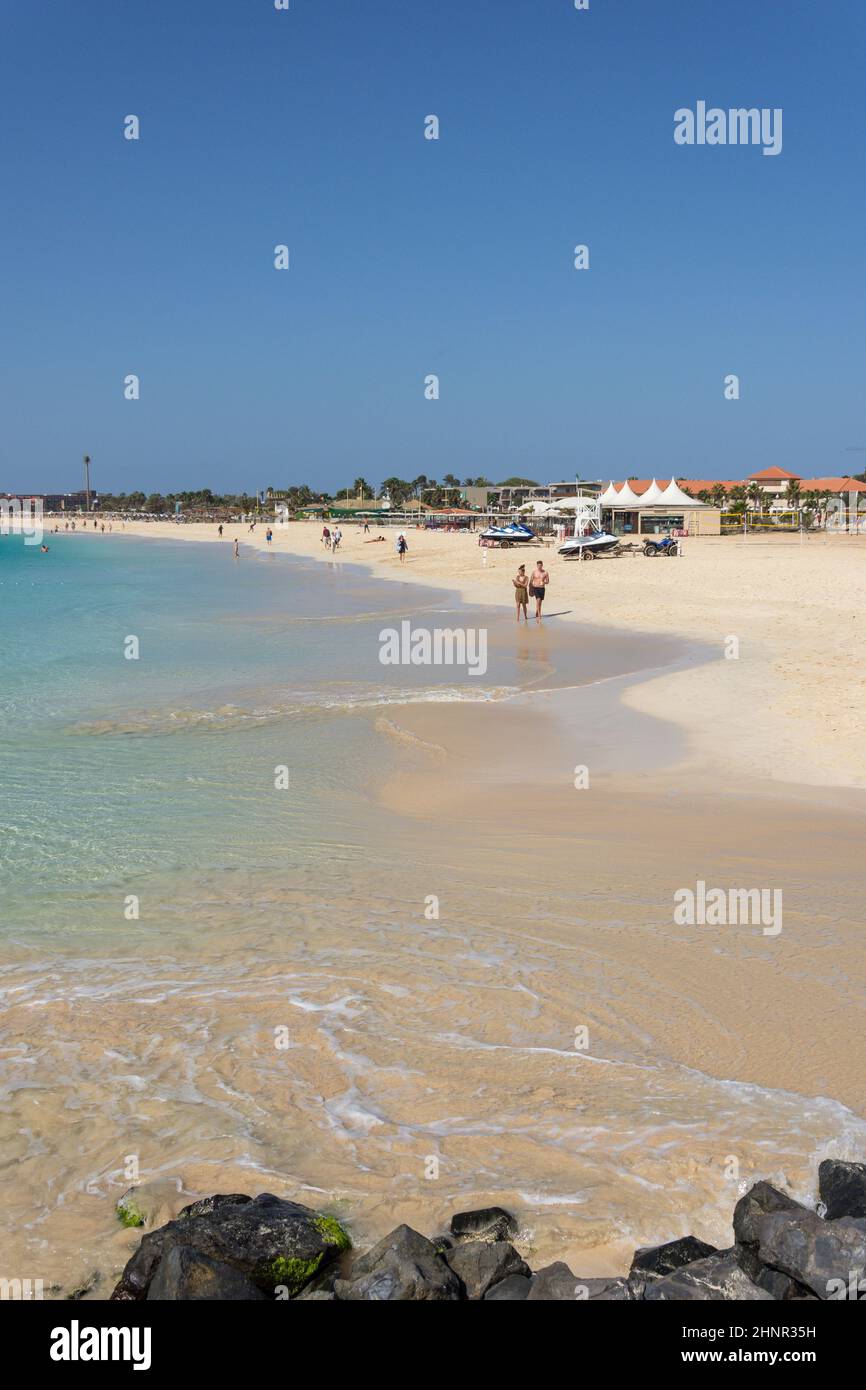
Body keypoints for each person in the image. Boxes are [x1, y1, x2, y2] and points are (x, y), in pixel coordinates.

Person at [529, 557, 549, 621]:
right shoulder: (534, 572)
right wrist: (530, 589)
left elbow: (548, 581)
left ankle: (537, 611)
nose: (539, 567)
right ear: (537, 565)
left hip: (542, 588)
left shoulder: (545, 572)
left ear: (542, 565)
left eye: (540, 565)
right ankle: (539, 615)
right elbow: (531, 580)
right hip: (536, 588)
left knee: (540, 602)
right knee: (538, 600)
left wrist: (544, 581)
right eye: (538, 565)